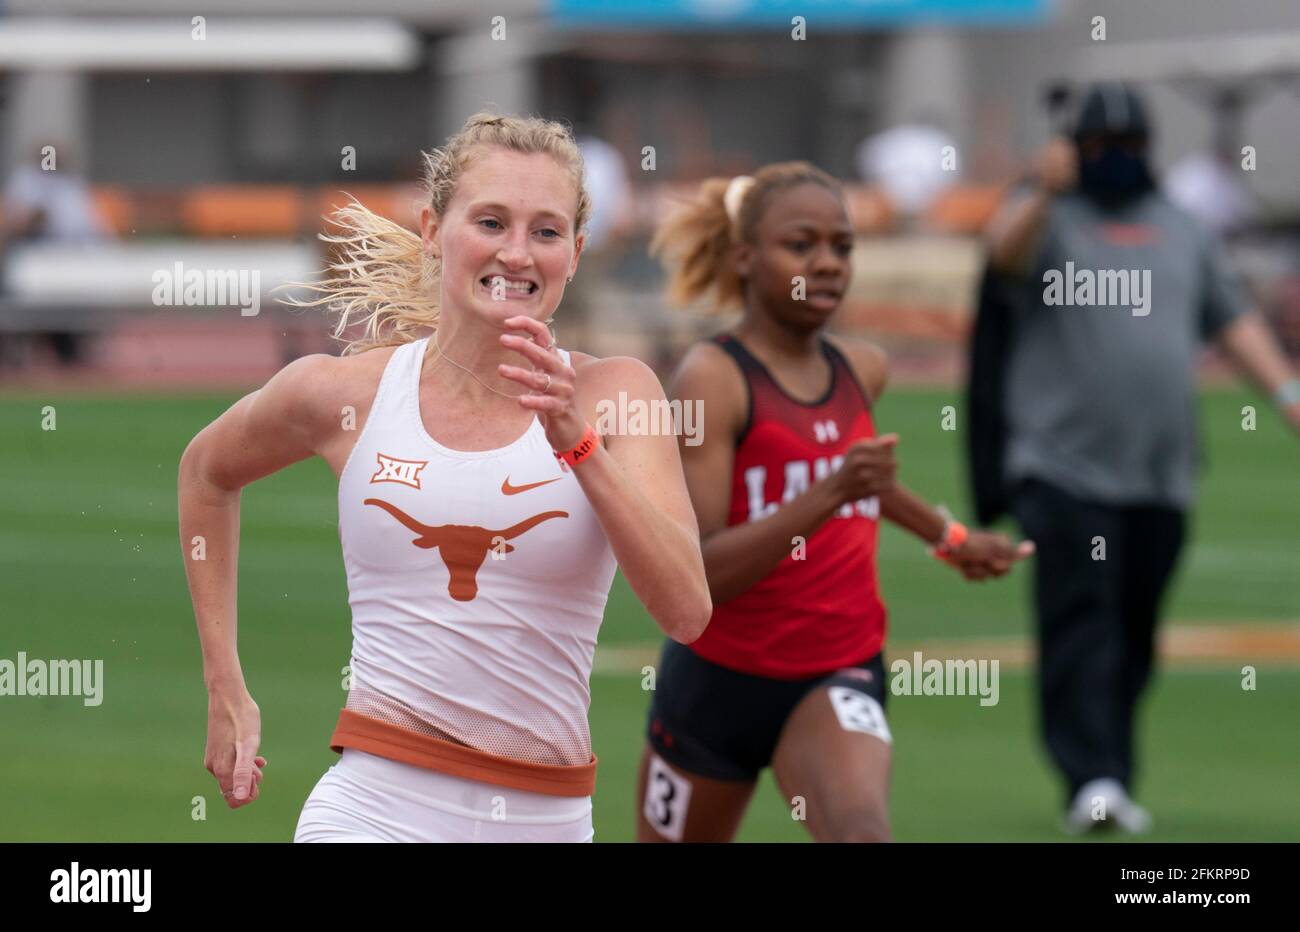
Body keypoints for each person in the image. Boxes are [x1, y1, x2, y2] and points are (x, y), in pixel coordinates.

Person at [178, 112, 711, 843]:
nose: (517, 253)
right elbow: (206, 473)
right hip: (370, 811)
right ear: (434, 230)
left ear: (577, 252)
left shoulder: (619, 395)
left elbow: (686, 609)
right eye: (490, 222)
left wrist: (576, 443)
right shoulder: (348, 395)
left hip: (547, 819)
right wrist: (225, 684)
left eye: (547, 232)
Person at [635, 161, 1034, 843]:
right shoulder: (714, 379)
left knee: (861, 834)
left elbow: (867, 485)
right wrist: (828, 495)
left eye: (842, 247)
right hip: (715, 685)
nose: (826, 264)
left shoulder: (861, 368)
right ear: (745, 256)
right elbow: (699, 575)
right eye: (801, 245)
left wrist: (954, 540)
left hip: (836, 669)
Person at [983, 82, 1300, 833]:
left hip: (1160, 474)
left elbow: (1231, 319)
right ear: (1080, 152)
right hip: (1061, 467)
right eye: (1103, 149)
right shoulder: (1051, 219)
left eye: (1129, 148)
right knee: (1080, 622)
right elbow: (1002, 260)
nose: (1116, 162)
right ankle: (1090, 778)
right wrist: (1038, 187)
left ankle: (1113, 770)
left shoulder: (1180, 227)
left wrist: (1287, 394)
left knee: (1133, 629)